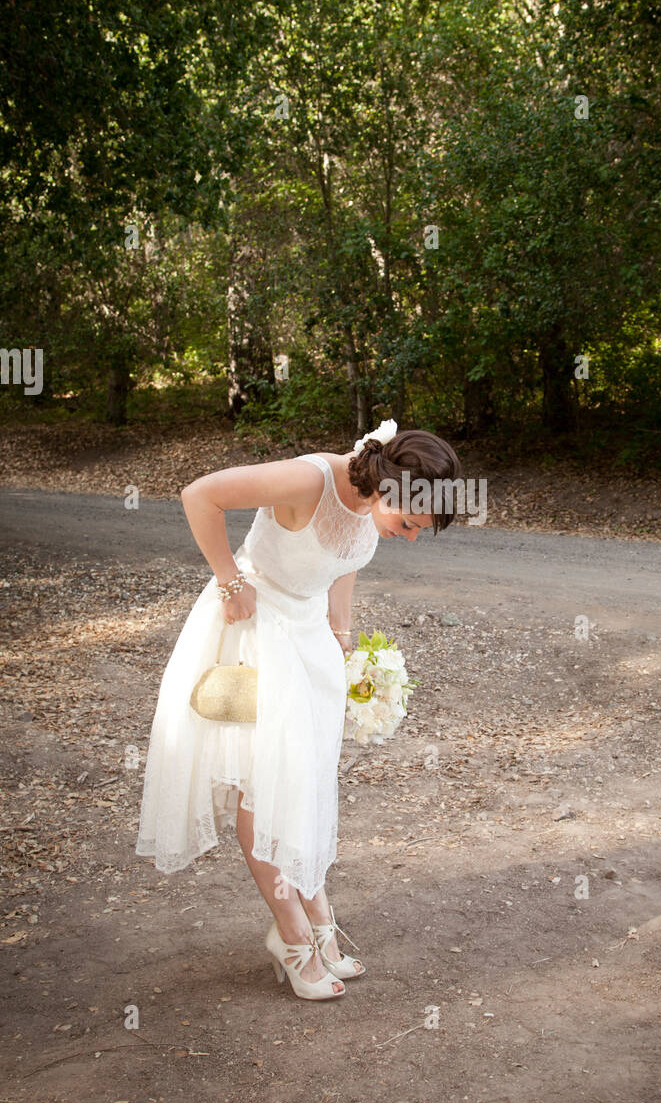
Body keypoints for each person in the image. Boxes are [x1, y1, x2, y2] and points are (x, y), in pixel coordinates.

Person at [136, 421, 462, 1001]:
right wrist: (229, 582)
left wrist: (342, 633)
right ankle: (290, 937)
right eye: (410, 523)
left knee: (304, 785)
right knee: (262, 791)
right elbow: (200, 494)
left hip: (309, 641)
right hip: (256, 635)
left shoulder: (371, 499)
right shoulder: (308, 480)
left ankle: (318, 921)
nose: (409, 537)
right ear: (388, 486)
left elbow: (343, 556)